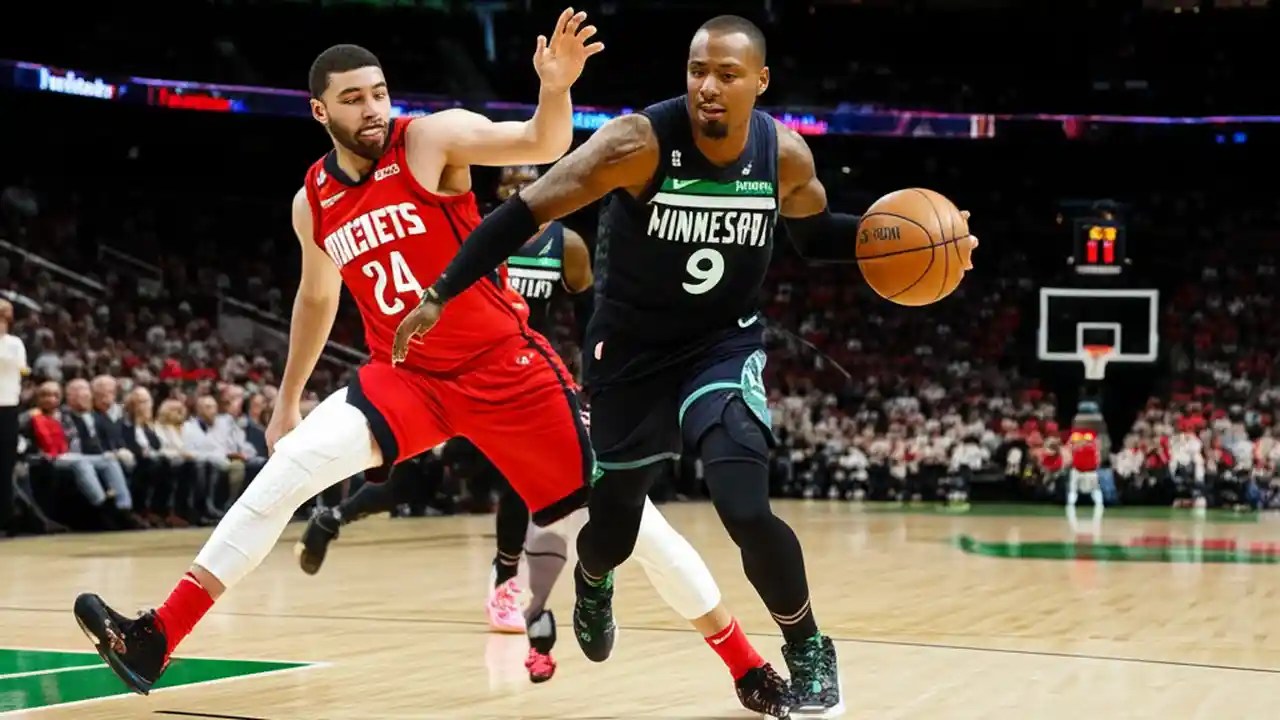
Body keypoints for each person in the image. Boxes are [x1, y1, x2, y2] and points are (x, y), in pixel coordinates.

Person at [71, 16, 789, 716]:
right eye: (354, 98)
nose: (374, 108)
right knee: (282, 474)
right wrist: (287, 399)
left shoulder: (430, 140)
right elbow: (317, 298)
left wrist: (555, 86)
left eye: (379, 91)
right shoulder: (311, 201)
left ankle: (746, 666)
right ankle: (155, 639)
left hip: (505, 369)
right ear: (321, 109)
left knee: (635, 531)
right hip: (406, 376)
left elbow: (543, 140)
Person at [393, 14, 980, 716]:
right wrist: (440, 293)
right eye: (698, 71)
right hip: (632, 356)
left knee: (745, 507)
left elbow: (817, 235)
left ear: (760, 83)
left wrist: (920, 246)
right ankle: (592, 577)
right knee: (610, 528)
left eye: (727, 75)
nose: (708, 86)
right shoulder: (636, 144)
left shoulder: (784, 157)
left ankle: (810, 651)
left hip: (720, 347)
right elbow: (523, 211)